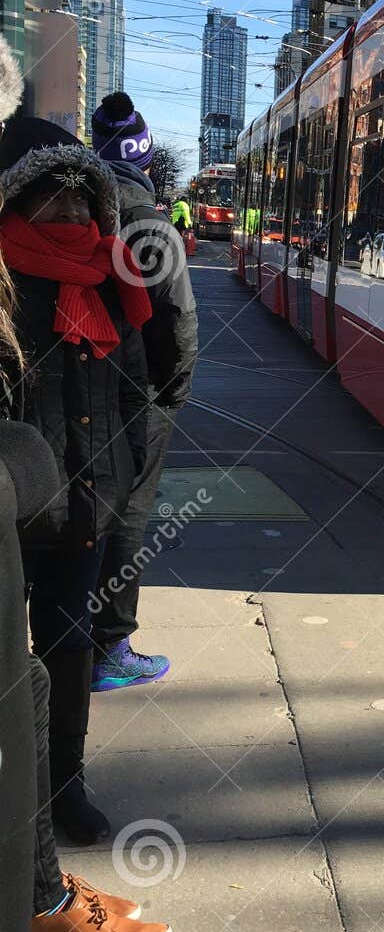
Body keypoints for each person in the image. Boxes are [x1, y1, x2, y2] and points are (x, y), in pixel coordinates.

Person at [0, 121, 151, 845]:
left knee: (70, 647)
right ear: (17, 203)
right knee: (8, 658)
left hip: (87, 504)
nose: (70, 211)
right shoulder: (3, 281)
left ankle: (65, 787)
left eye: (81, 199)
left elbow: (135, 388)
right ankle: (15, 793)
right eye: (52, 197)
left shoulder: (112, 279)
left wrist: (125, 473)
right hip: (10, 512)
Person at [88, 93, 198, 690]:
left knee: (76, 507)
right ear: (145, 159)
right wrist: (170, 393)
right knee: (130, 510)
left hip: (75, 386)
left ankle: (62, 637)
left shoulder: (74, 210)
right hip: (139, 392)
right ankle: (111, 646)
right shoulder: (151, 225)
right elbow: (178, 325)